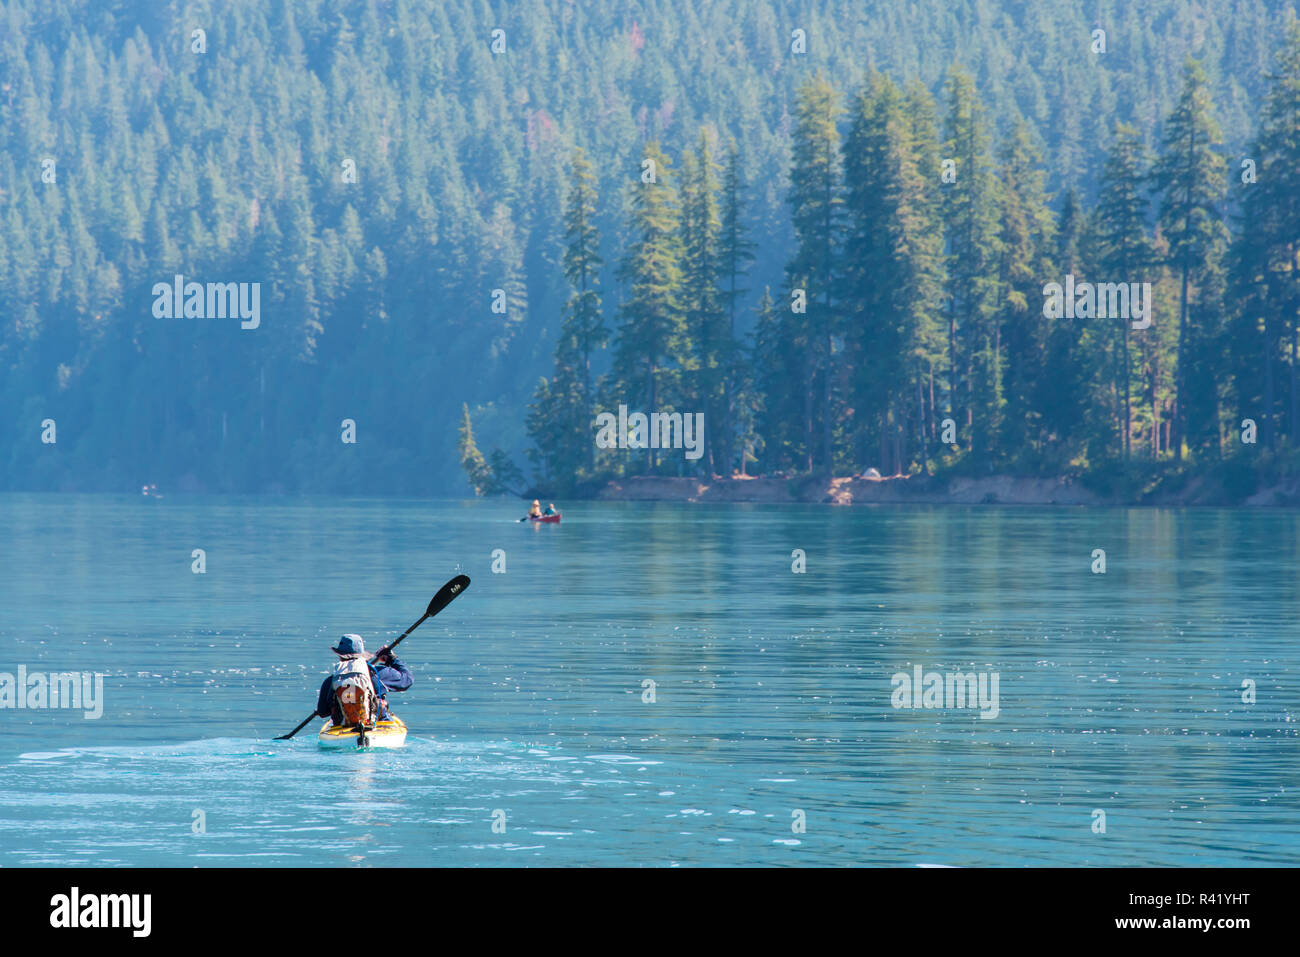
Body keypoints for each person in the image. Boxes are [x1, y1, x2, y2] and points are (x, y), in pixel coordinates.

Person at [314, 634, 412, 728]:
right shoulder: (377, 673)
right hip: (374, 725)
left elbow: (323, 712)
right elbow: (407, 680)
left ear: (340, 656)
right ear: (361, 655)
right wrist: (391, 659)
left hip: (342, 727)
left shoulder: (331, 680)